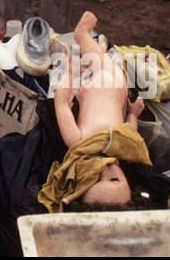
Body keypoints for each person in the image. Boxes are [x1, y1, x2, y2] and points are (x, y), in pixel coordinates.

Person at [38, 11, 150, 211]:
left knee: (101, 64)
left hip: (93, 87)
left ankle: (82, 36)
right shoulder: (121, 151)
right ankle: (95, 47)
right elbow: (130, 133)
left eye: (95, 178)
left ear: (79, 178)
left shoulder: (77, 140)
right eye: (114, 180)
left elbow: (61, 103)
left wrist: (69, 74)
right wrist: (133, 114)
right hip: (118, 90)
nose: (105, 171)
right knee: (114, 72)